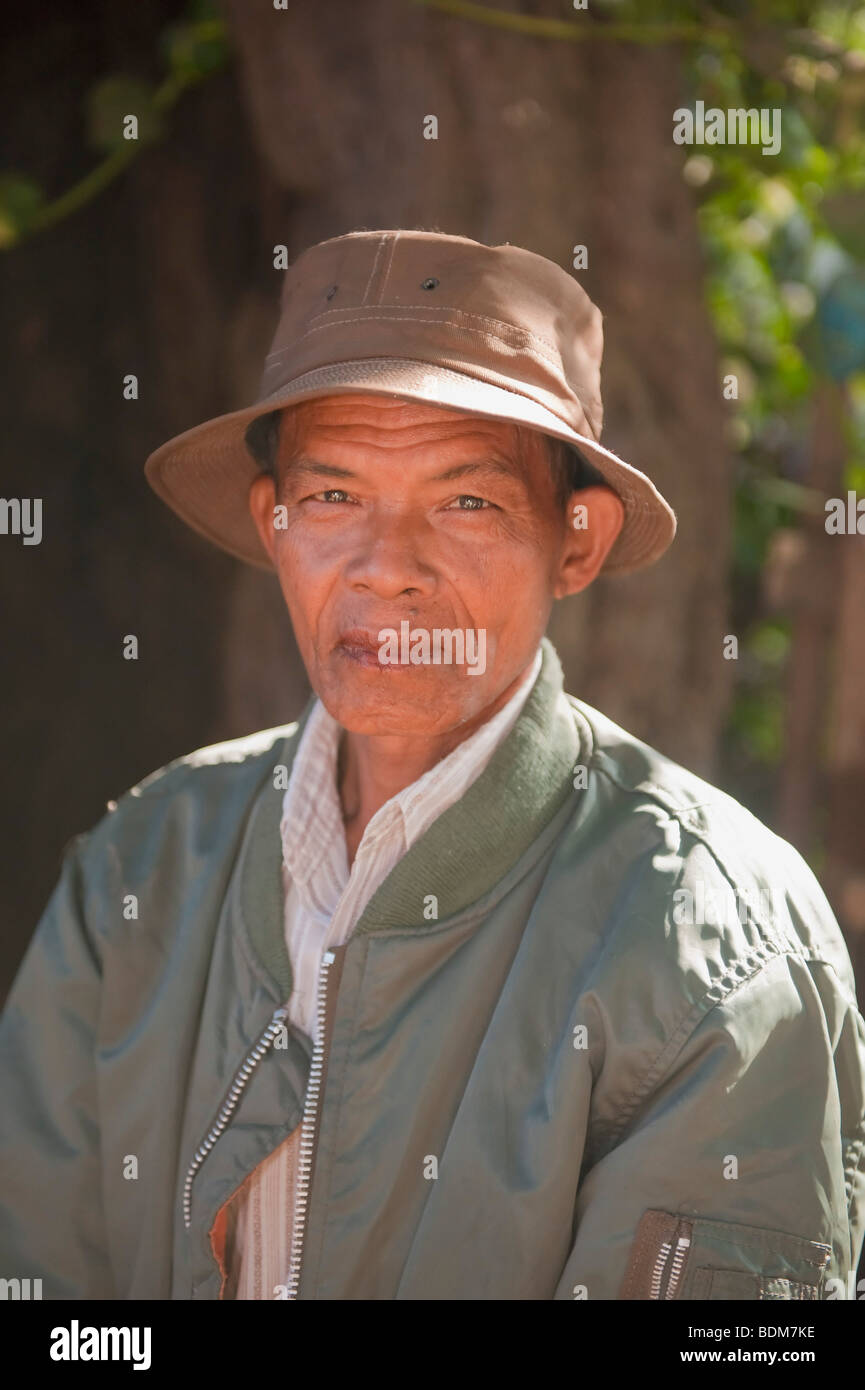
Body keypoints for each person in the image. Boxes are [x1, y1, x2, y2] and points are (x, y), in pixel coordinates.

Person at [2, 228, 864, 1301]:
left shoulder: (714, 946)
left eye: (466, 501)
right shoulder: (141, 865)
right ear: (274, 526)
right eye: (332, 498)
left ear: (577, 541)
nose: (387, 570)